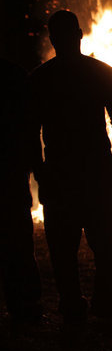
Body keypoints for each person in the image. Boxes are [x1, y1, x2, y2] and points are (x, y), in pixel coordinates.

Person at [29, 10, 112, 326]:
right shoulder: (101, 72)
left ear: (53, 38)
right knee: (108, 243)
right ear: (81, 34)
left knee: (63, 247)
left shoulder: (40, 79)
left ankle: (72, 303)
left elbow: (30, 131)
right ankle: (105, 301)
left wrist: (41, 171)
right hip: (97, 170)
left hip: (61, 172)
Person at [0, 57, 42, 327]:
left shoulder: (14, 75)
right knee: (18, 243)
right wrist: (36, 167)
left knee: (18, 243)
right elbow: (30, 127)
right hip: (12, 174)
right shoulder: (15, 74)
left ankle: (23, 306)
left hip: (12, 173)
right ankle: (25, 306)